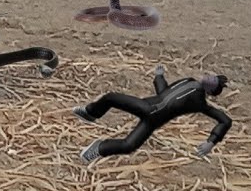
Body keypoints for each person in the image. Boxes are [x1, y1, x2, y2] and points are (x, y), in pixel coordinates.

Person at [74, 65, 231, 162]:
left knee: (128, 145)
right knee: (111, 97)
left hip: (153, 119)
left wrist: (211, 141)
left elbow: (225, 120)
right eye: (211, 77)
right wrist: (159, 76)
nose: (209, 78)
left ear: (211, 91)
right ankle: (90, 113)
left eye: (212, 81)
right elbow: (164, 92)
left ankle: (99, 149)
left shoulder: (200, 103)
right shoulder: (188, 81)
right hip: (145, 105)